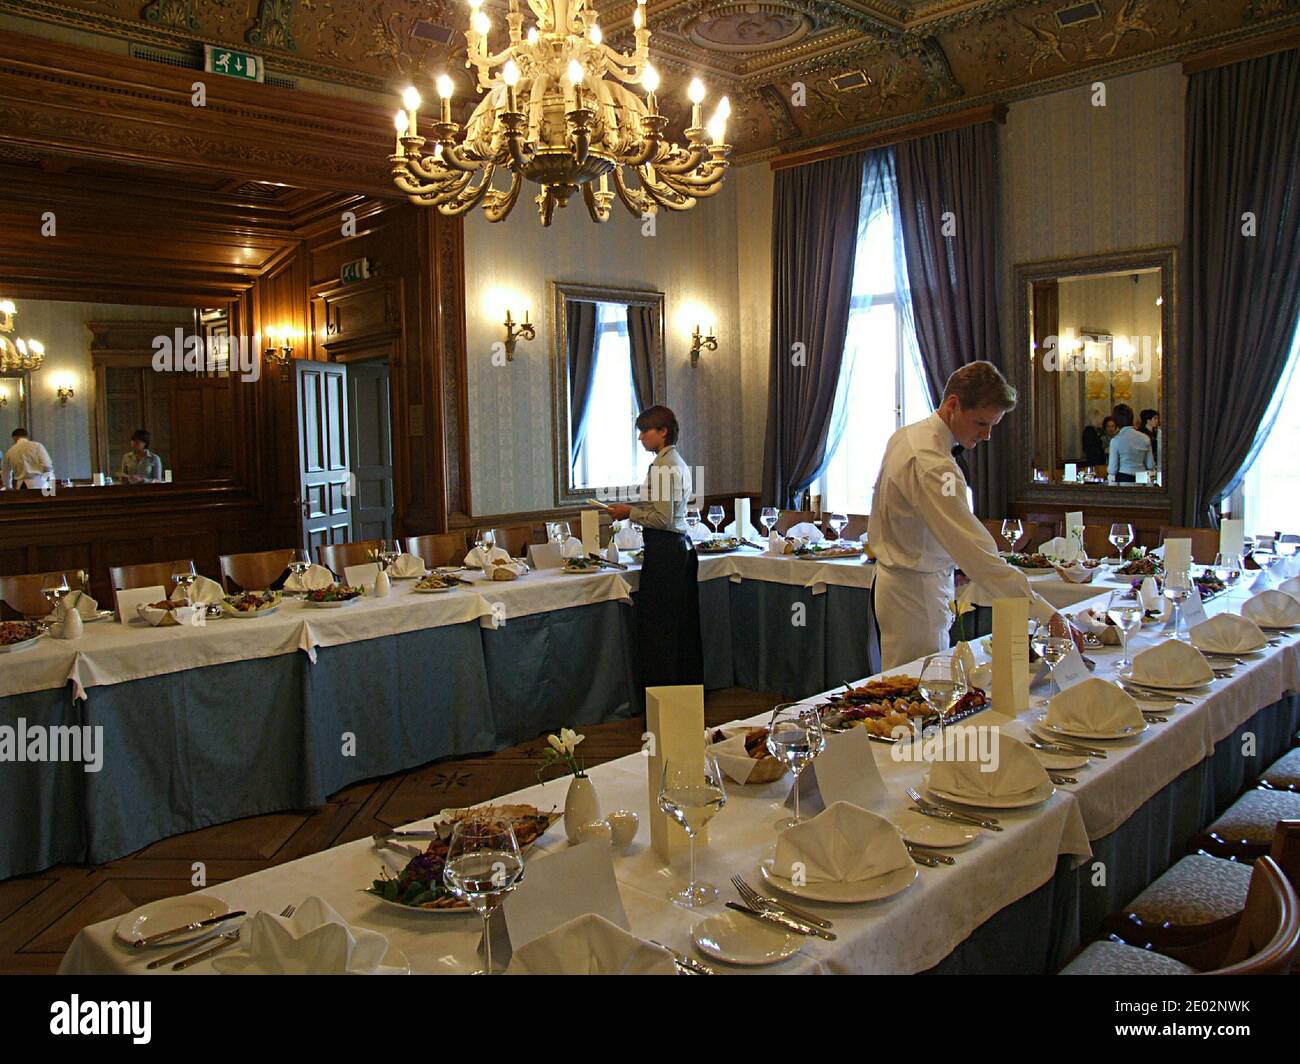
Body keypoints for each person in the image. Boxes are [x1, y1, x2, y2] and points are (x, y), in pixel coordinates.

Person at [868, 362, 1071, 671]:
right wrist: (1048, 615)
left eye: (992, 425)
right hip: (918, 597)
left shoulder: (906, 435)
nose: (987, 435)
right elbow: (980, 557)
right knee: (919, 694)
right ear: (953, 405)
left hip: (896, 586)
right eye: (980, 423)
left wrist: (953, 558)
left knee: (904, 686)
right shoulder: (934, 464)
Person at [607, 405, 704, 691]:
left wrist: (629, 512)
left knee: (661, 628)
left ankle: (664, 696)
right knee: (680, 627)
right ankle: (683, 694)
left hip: (665, 553)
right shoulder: (677, 461)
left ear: (662, 432)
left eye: (645, 431)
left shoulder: (663, 466)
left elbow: (662, 519)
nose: (640, 438)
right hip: (679, 549)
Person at [1108, 403, 1154, 484]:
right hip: (1142, 478)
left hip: (1124, 478)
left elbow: (1112, 470)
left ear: (1116, 421)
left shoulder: (1116, 441)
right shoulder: (1145, 438)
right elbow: (1150, 465)